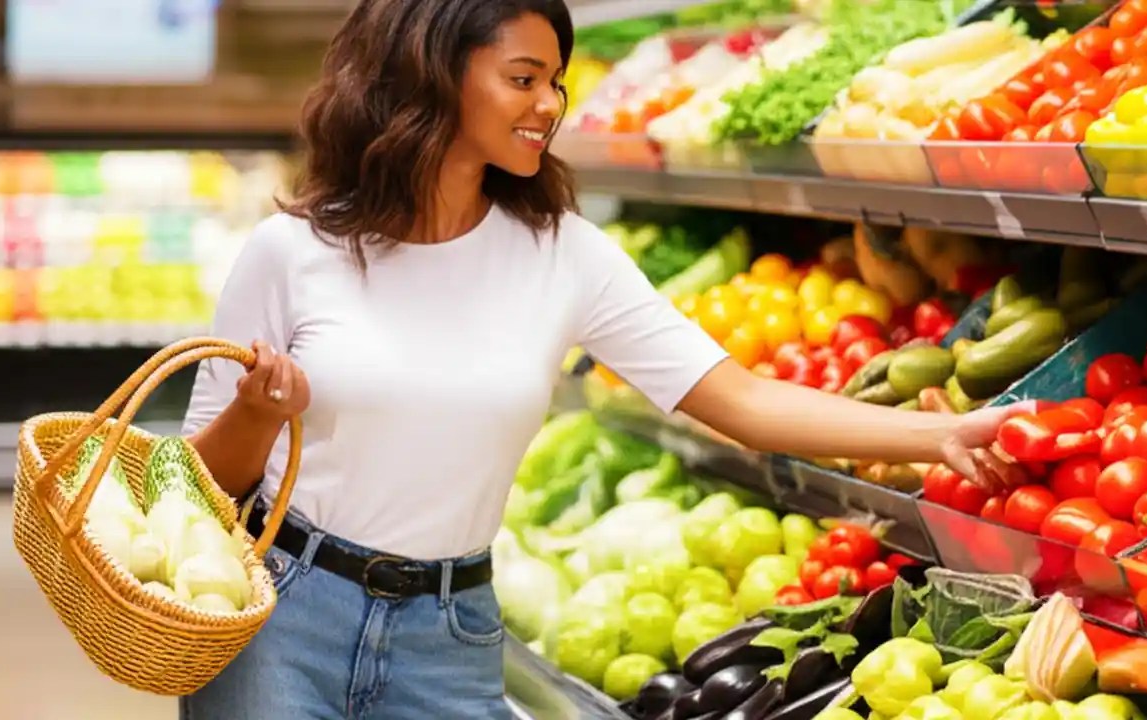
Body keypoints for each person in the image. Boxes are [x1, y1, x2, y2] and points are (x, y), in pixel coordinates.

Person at [179, 0, 1027, 717]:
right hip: (280, 612)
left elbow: (738, 399)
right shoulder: (291, 252)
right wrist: (258, 411)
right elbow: (194, 488)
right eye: (523, 78)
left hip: (451, 630)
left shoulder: (564, 255)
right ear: (431, 73)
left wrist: (939, 435)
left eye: (555, 80)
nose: (549, 104)